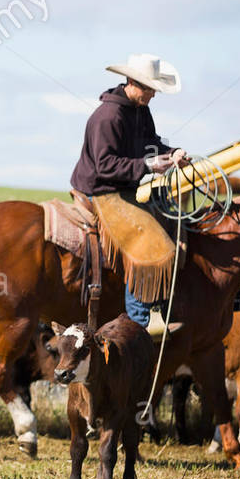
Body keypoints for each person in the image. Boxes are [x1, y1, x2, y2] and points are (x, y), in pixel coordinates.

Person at [70, 53, 188, 336]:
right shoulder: (107, 117)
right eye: (149, 89)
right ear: (133, 83)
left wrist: (172, 154)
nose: (153, 95)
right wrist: (148, 164)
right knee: (143, 242)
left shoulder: (139, 109)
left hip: (123, 186)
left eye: (154, 89)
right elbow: (105, 166)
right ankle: (138, 325)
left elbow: (151, 142)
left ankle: (157, 309)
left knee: (170, 213)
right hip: (100, 190)